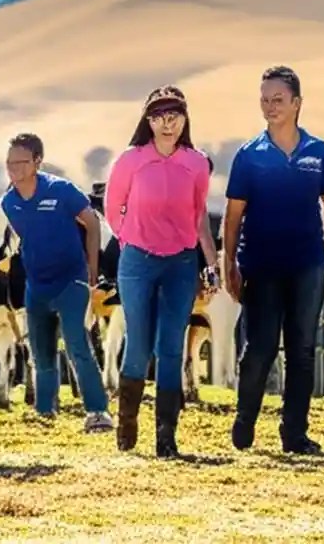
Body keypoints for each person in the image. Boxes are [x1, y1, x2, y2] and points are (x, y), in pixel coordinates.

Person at [223, 65, 324, 454]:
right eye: (264, 99)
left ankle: (294, 433)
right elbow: (233, 216)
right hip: (260, 265)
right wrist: (230, 263)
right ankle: (245, 418)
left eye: (277, 99)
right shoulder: (249, 156)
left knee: (302, 350)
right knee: (259, 347)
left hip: (308, 264)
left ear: (297, 103)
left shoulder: (320, 153)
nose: (270, 106)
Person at [105, 85, 218, 458]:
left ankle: (166, 437)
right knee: (138, 343)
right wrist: (128, 242)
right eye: (159, 117)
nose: (167, 124)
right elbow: (112, 207)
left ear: (185, 119)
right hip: (137, 261)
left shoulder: (197, 163)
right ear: (147, 121)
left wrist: (211, 263)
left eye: (175, 116)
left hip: (181, 262)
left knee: (171, 347)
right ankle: (127, 423)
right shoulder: (131, 160)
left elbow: (199, 213)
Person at [0, 132, 114, 432]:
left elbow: (91, 222)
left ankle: (98, 412)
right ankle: (45, 412)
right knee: (40, 352)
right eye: (9, 162)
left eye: (20, 162)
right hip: (36, 286)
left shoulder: (61, 190)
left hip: (71, 281)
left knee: (77, 344)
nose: (13, 168)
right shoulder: (9, 202)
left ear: (37, 161)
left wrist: (92, 267)